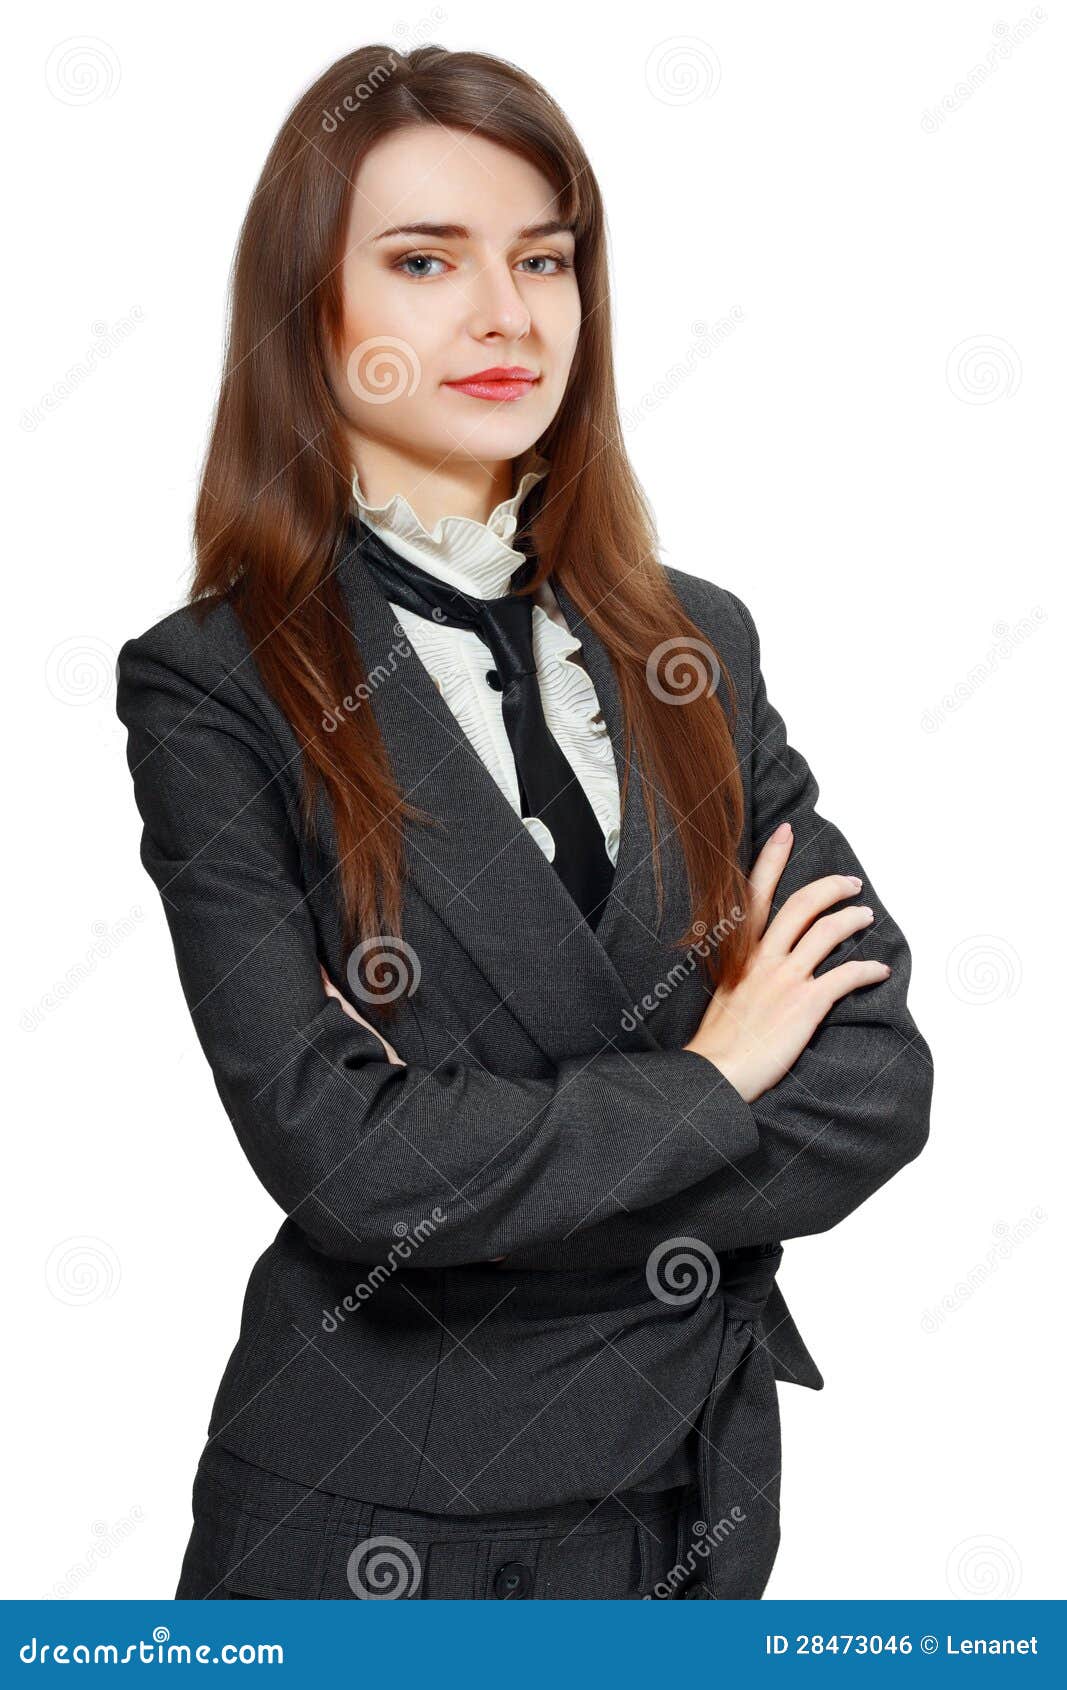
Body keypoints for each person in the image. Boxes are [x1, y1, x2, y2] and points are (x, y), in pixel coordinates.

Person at [114, 44, 933, 1600]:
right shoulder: (215, 684)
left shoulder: (697, 637)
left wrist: (494, 1168)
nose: (508, 313)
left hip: (694, 1497)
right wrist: (710, 1073)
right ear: (317, 312)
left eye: (544, 257)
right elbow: (347, 1166)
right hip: (380, 1518)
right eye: (426, 260)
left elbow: (876, 1087)